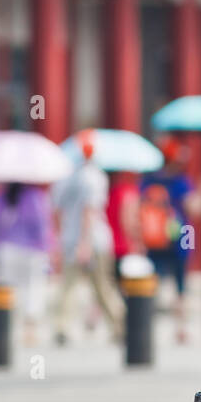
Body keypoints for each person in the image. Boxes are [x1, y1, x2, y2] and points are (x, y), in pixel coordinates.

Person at [51, 132, 125, 345]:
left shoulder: (66, 177)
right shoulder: (95, 177)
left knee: (69, 286)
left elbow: (57, 211)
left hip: (73, 239)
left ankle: (62, 327)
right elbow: (89, 211)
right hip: (94, 240)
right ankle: (120, 325)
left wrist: (61, 239)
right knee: (102, 286)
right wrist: (84, 243)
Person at [139, 138, 201, 343]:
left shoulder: (148, 180)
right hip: (181, 237)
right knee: (181, 285)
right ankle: (181, 329)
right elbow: (194, 209)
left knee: (151, 283)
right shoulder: (182, 182)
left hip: (154, 238)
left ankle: (145, 325)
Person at [0, 182, 55, 347]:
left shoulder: (0, 197)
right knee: (32, 288)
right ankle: (29, 330)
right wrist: (49, 249)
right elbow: (41, 225)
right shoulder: (34, 196)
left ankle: (7, 330)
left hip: (6, 250)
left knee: (8, 291)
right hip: (31, 251)